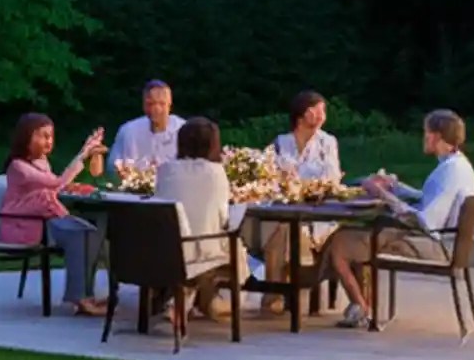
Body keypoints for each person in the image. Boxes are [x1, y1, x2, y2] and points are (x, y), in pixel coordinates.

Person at [321, 109, 474, 328]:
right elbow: (427, 199)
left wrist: (383, 196)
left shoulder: (448, 172)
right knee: (354, 235)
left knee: (340, 243)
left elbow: (423, 220)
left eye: (426, 133)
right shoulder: (456, 166)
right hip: (444, 239)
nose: (424, 138)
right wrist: (395, 186)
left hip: (433, 244)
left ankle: (362, 308)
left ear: (436, 136)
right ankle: (361, 304)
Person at [0, 113, 109, 316]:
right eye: (42, 136)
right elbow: (56, 183)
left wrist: (75, 188)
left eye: (50, 136)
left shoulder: (42, 162)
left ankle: (89, 293)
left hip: (45, 218)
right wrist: (84, 152)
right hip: (27, 226)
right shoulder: (18, 166)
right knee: (81, 234)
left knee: (94, 229)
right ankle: (81, 298)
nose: (48, 141)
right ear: (26, 137)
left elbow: (55, 187)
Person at [153, 117, 250, 322]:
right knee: (231, 246)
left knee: (197, 248)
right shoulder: (215, 173)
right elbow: (222, 215)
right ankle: (203, 302)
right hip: (201, 248)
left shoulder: (165, 170)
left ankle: (187, 302)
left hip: (165, 247)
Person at [259, 90, 343, 314]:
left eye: (322, 111)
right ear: (300, 114)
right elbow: (269, 175)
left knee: (285, 232)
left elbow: (332, 177)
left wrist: (298, 176)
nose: (320, 116)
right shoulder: (281, 143)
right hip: (286, 207)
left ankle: (276, 293)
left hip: (318, 210)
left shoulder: (327, 142)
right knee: (281, 230)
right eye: (314, 110)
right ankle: (277, 293)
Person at [106, 80, 185, 173]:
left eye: (162, 103)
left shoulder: (184, 131)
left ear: (170, 104)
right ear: (143, 105)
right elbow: (112, 167)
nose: (156, 109)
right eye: (150, 104)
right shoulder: (128, 131)